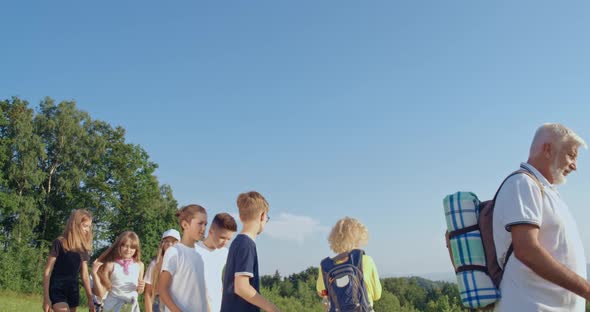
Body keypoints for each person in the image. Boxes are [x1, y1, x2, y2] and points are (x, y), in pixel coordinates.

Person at [493, 123, 590, 311]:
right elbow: (527, 250)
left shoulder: (545, 190)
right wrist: (587, 290)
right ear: (548, 149)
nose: (574, 166)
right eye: (571, 155)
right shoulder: (523, 183)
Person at [220, 191, 279, 312]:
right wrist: (272, 308)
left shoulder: (238, 242)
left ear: (241, 217)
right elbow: (242, 287)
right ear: (262, 216)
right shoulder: (246, 244)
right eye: (267, 218)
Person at [316, 217, 382, 311]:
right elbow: (377, 295)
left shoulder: (325, 267)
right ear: (360, 238)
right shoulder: (366, 261)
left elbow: (321, 292)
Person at [158, 204, 208, 312]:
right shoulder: (174, 252)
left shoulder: (201, 254)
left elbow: (202, 292)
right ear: (185, 224)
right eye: (200, 223)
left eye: (205, 224)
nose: (203, 228)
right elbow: (162, 289)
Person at [43, 209, 95, 312]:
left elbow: (84, 275)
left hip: (73, 290)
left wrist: (90, 299)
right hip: (57, 288)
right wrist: (46, 298)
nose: (87, 230)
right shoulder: (59, 243)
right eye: (85, 226)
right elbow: (47, 272)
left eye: (89, 226)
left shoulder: (83, 249)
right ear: (75, 225)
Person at [92, 231, 145, 312]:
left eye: (132, 247)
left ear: (136, 249)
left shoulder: (140, 265)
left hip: (131, 308)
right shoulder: (111, 265)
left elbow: (139, 291)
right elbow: (101, 294)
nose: (128, 250)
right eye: (125, 246)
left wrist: (141, 287)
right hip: (112, 307)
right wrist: (94, 274)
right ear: (119, 246)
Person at [196, 213, 237, 312]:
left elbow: (219, 281)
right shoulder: (195, 251)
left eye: (229, 239)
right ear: (211, 231)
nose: (225, 242)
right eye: (222, 237)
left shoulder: (224, 253)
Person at [144, 229, 180, 312]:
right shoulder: (154, 264)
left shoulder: (183, 265)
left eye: (174, 241)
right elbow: (148, 293)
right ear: (162, 244)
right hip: (159, 304)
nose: (170, 244)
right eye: (167, 241)